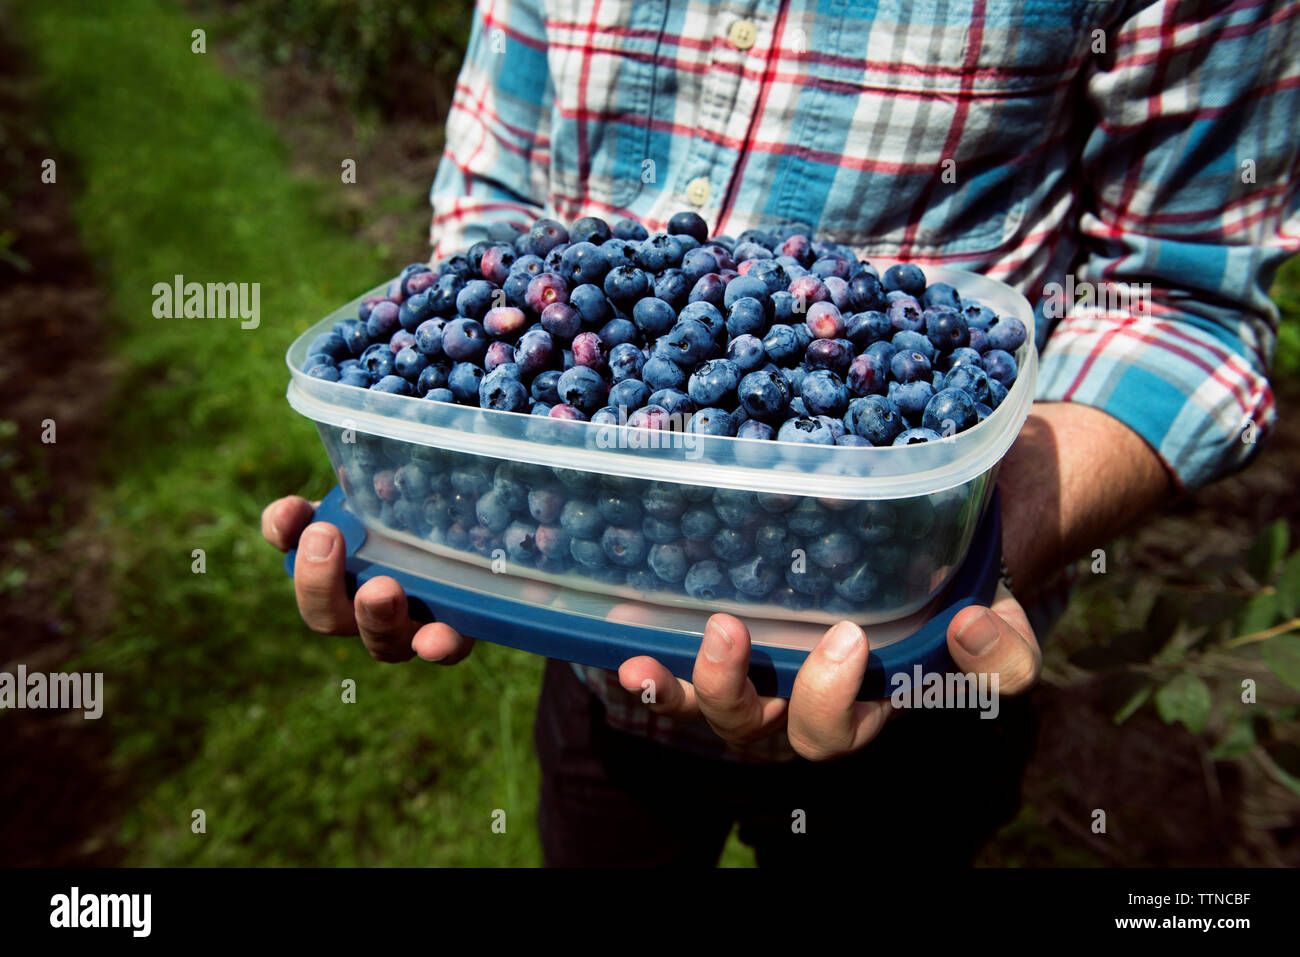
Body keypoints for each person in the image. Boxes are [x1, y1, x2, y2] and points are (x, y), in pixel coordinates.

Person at [262, 0, 1296, 865]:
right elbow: (491, 220)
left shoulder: (886, 377)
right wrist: (447, 481)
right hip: (582, 641)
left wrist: (973, 539)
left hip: (911, 691)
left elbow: (1183, 302)